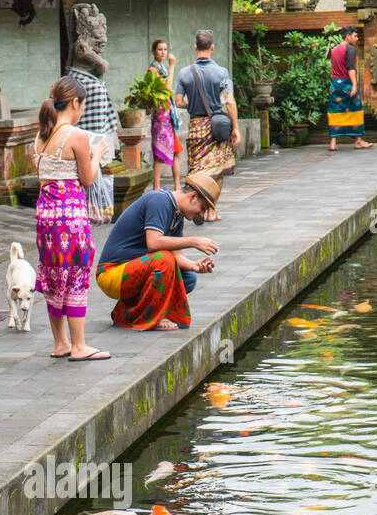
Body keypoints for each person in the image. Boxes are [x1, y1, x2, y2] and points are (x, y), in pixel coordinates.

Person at [33, 77, 109, 362]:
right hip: (69, 216)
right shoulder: (75, 135)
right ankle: (79, 345)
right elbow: (87, 178)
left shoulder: (41, 135)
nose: (82, 111)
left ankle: (60, 343)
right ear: (75, 103)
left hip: (46, 218)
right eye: (82, 105)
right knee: (76, 275)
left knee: (53, 275)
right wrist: (97, 155)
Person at [95, 171, 219, 331]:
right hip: (111, 274)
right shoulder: (159, 201)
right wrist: (194, 241)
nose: (201, 215)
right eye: (203, 208)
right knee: (164, 260)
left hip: (133, 271)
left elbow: (176, 255)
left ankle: (126, 313)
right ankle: (150, 317)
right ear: (192, 196)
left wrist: (195, 266)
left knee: (187, 278)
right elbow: (154, 243)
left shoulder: (177, 214)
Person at [174, 29, 240, 222]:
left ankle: (195, 209)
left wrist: (193, 104)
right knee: (218, 169)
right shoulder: (222, 72)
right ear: (212, 47)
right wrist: (235, 128)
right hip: (216, 127)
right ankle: (211, 210)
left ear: (195, 47)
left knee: (196, 170)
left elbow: (178, 101)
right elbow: (229, 102)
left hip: (195, 125)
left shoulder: (184, 73)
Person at [327, 27, 372, 152]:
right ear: (348, 36)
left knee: (335, 110)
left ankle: (333, 142)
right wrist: (354, 84)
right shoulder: (350, 49)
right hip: (346, 83)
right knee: (356, 109)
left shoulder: (334, 49)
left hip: (335, 84)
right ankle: (358, 140)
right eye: (355, 36)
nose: (356, 39)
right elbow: (350, 67)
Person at [148, 38, 183, 189]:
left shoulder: (161, 68)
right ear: (154, 51)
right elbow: (166, 89)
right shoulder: (153, 70)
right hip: (160, 117)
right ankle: (156, 187)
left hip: (168, 117)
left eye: (165, 50)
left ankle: (177, 186)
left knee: (177, 151)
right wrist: (172, 67)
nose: (163, 52)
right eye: (160, 49)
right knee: (159, 155)